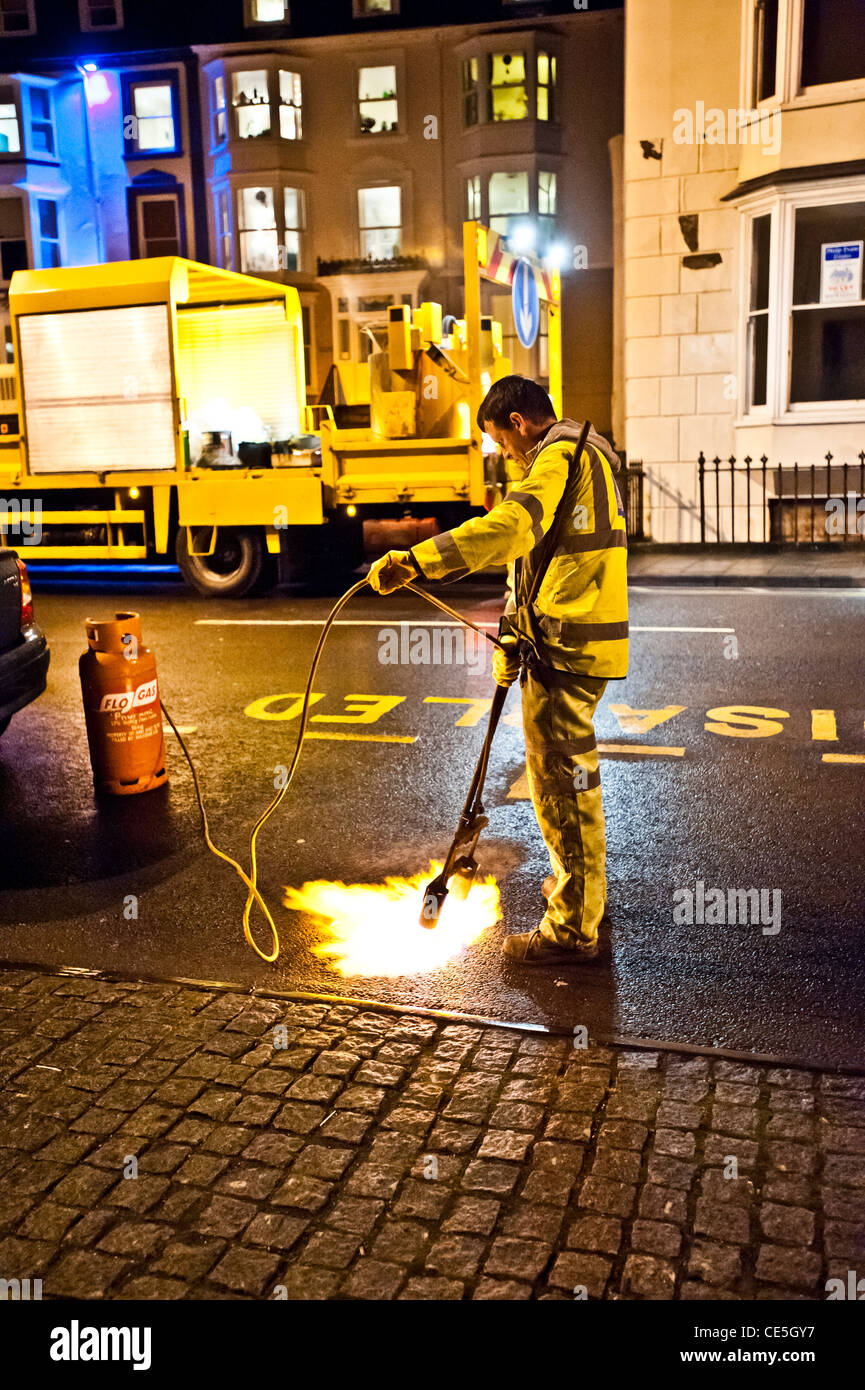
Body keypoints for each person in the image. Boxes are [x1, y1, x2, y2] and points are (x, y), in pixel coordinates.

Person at [368, 374, 628, 966]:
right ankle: (585, 898)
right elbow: (537, 560)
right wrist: (514, 631)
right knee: (571, 784)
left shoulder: (559, 457)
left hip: (567, 652)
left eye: (499, 441)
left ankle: (570, 931)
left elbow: (510, 530)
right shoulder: (588, 456)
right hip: (568, 644)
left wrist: (417, 561)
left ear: (518, 423)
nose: (502, 455)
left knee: (563, 790)